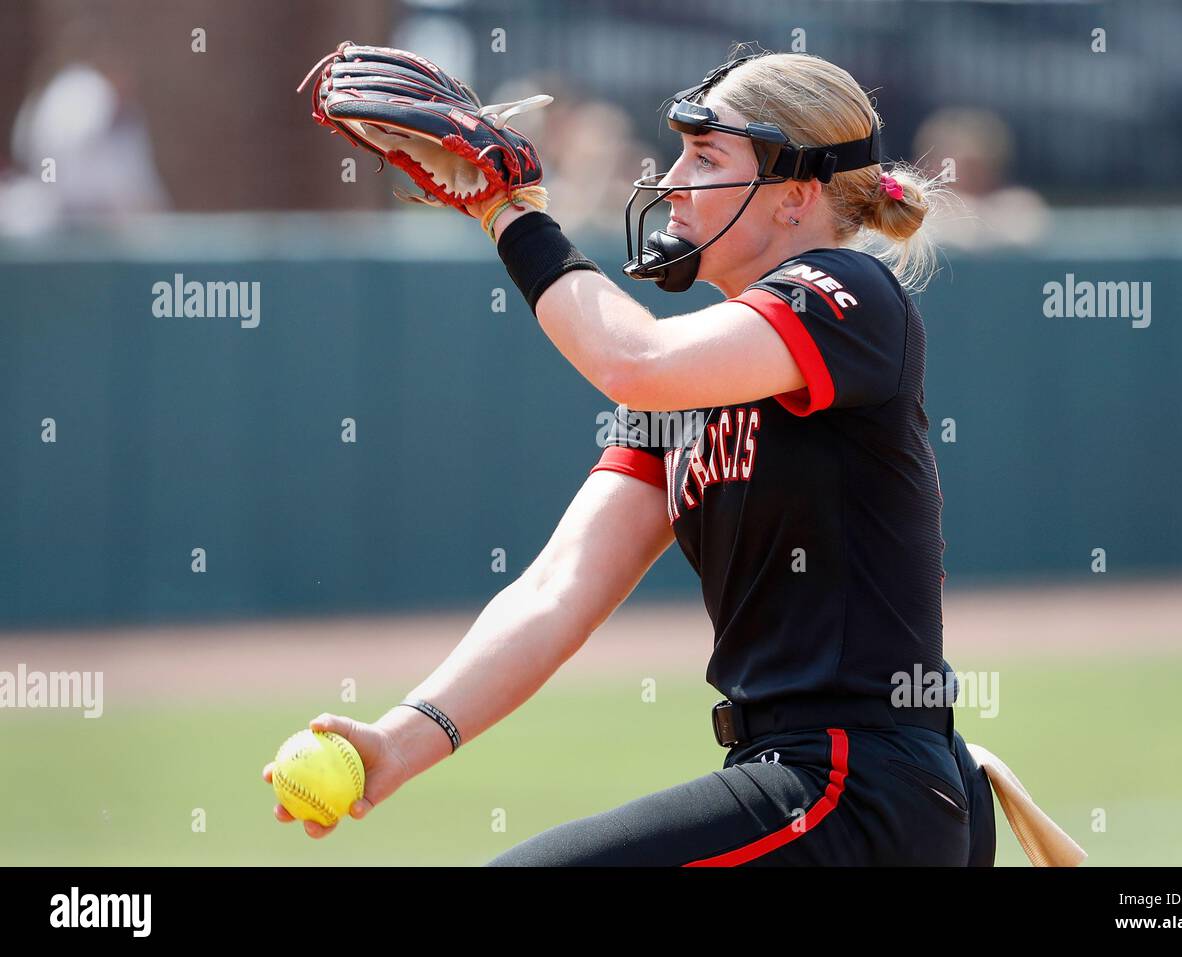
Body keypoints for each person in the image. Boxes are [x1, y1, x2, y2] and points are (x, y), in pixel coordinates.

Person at [264, 48, 1002, 866]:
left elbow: (636, 359)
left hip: (852, 790)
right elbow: (556, 591)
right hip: (818, 786)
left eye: (707, 154)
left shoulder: (850, 292)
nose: (673, 176)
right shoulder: (682, 386)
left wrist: (510, 212)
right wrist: (397, 744)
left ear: (795, 196)